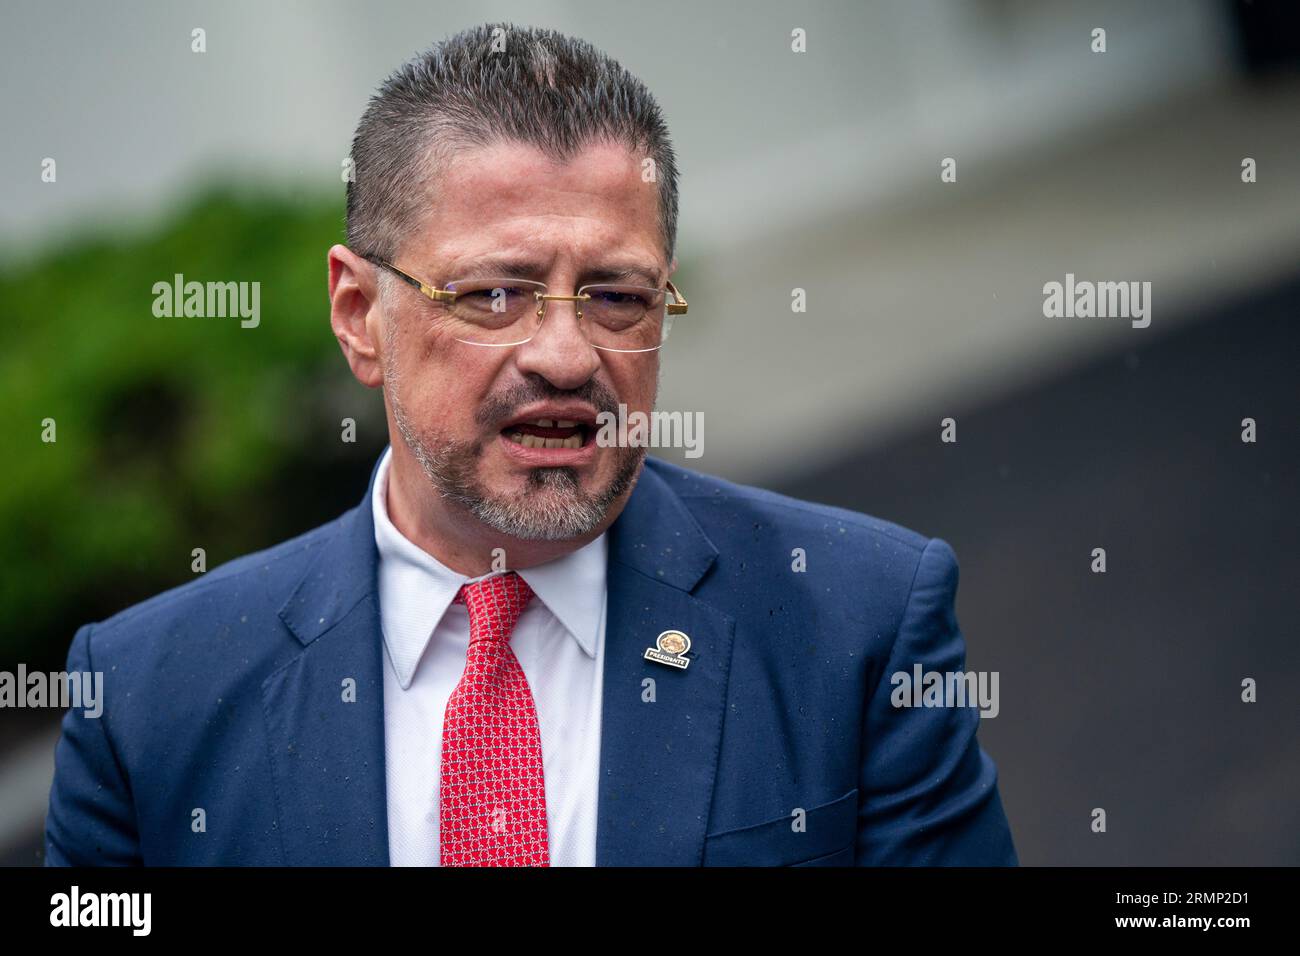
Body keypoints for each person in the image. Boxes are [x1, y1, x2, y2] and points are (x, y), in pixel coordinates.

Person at [45, 22, 1016, 866]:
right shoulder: (149, 700)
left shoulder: (855, 622)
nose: (563, 354)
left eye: (617, 295)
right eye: (493, 293)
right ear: (357, 315)